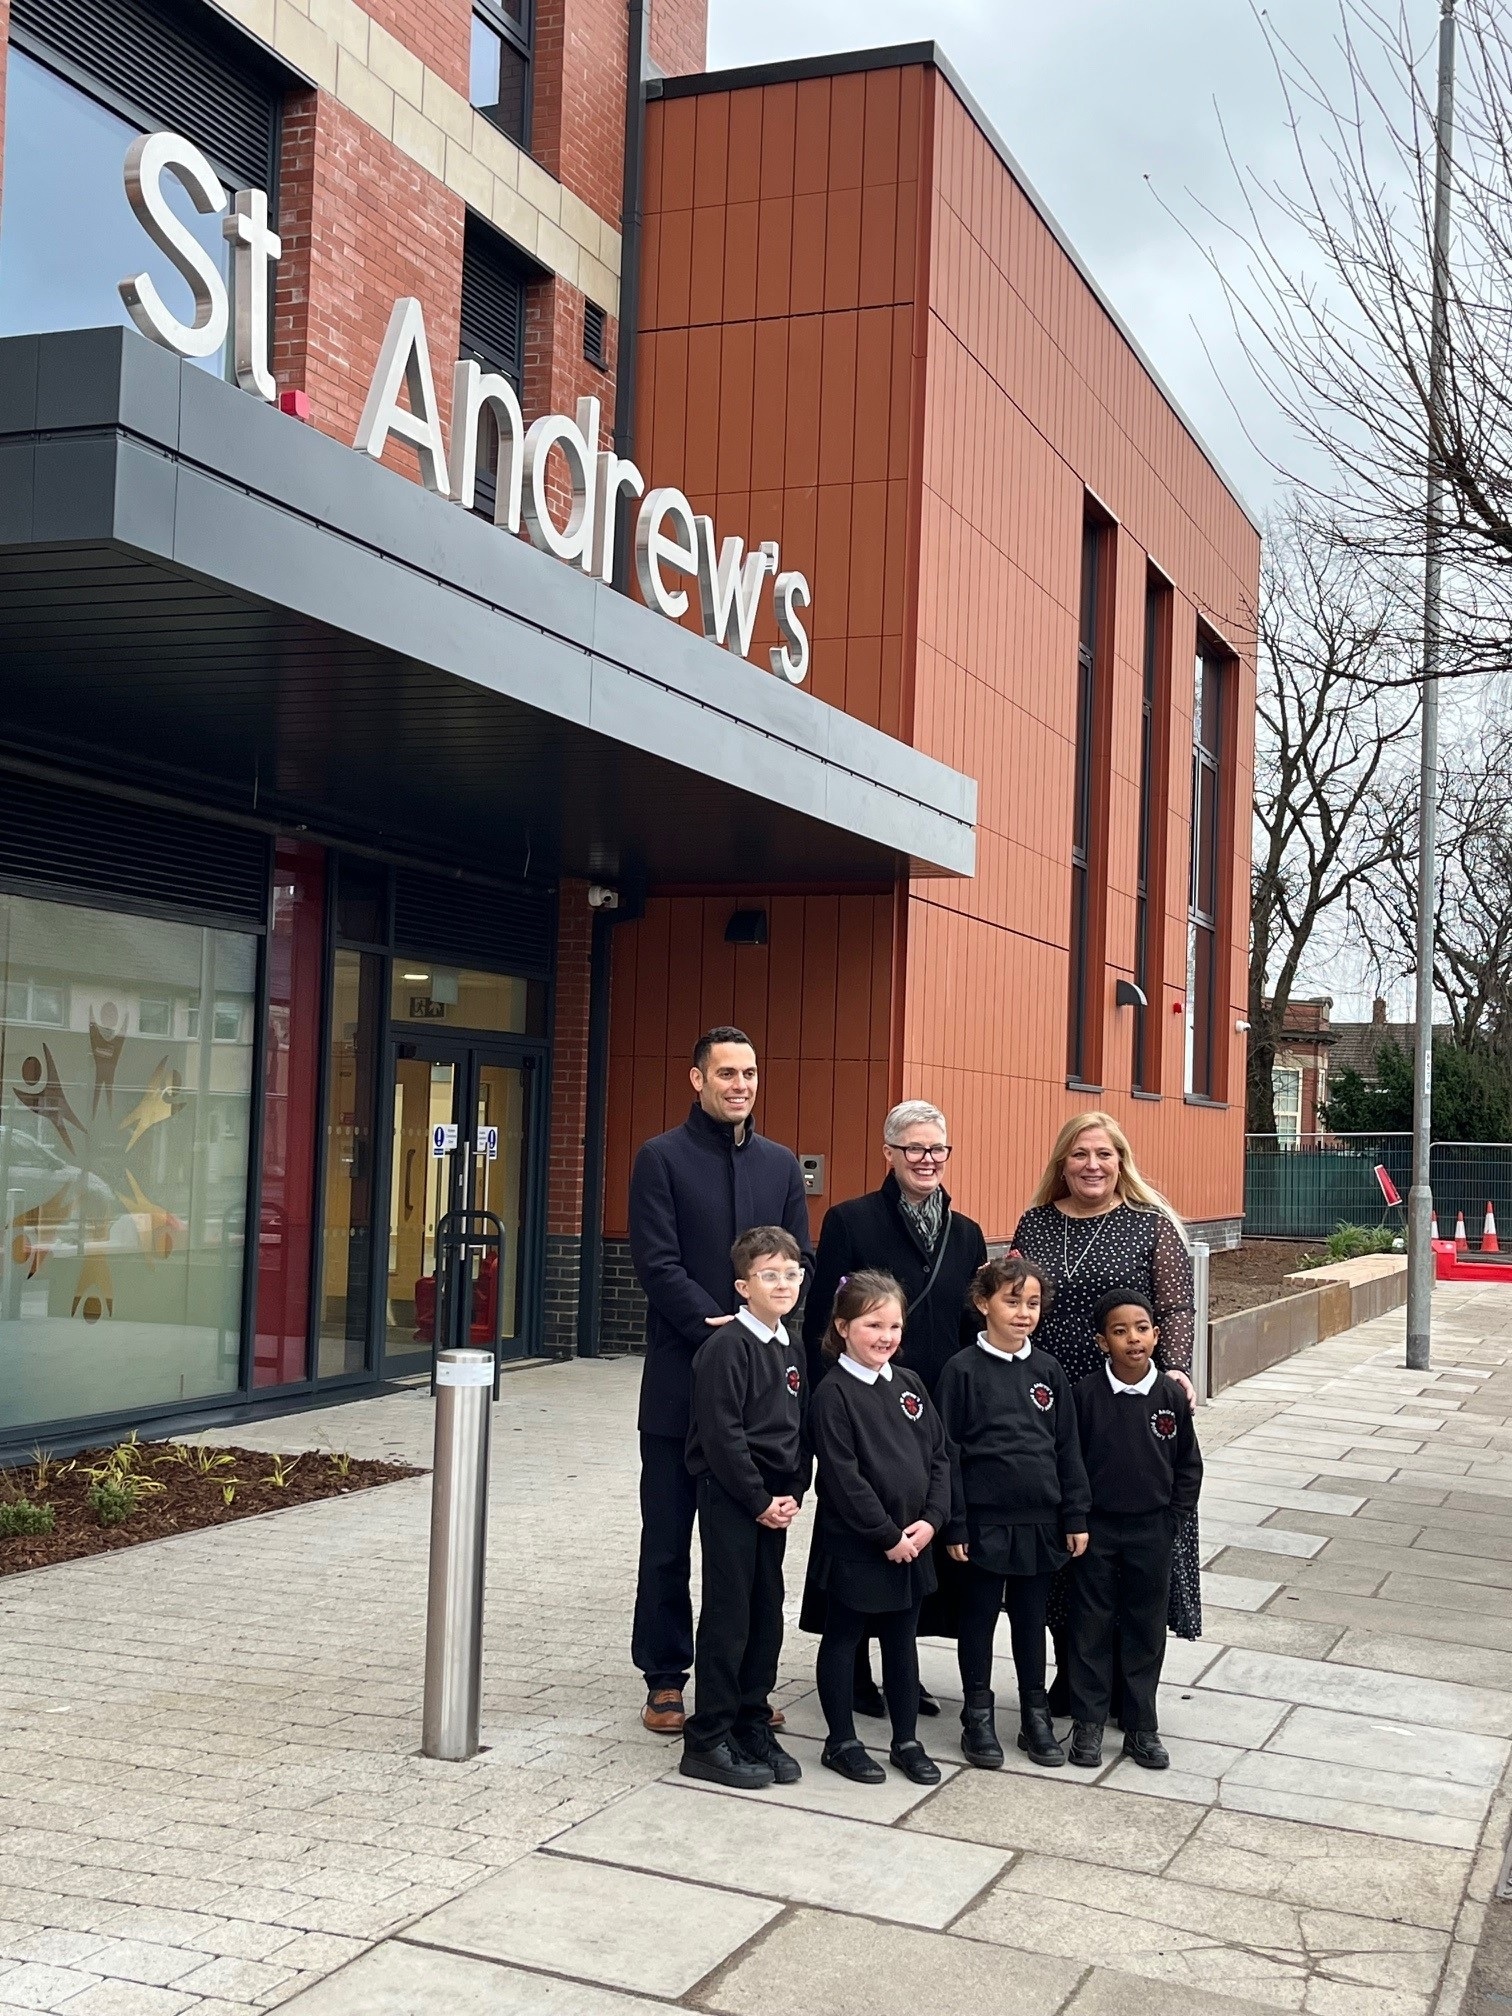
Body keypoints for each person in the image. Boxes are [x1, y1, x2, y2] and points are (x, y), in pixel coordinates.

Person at [628, 1027, 814, 1735]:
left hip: (760, 1402)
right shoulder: (661, 1158)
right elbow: (656, 1262)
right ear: (697, 1079)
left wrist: (773, 1327)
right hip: (679, 1387)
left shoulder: (779, 1165)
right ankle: (665, 1678)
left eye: (750, 1074)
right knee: (668, 1543)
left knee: (745, 1556)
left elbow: (799, 1260)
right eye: (727, 1073)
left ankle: (738, 1685)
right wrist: (721, 1327)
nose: (740, 1085)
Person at [1009, 1111, 1202, 1711]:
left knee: (1129, 1536)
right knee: (1067, 1532)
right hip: (1050, 1399)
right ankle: (1073, 1673)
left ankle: (1127, 1682)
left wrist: (1175, 1369)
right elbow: (1014, 1297)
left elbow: (1175, 1307)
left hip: (1127, 1401)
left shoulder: (1150, 1225)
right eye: (1080, 1154)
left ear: (1121, 1162)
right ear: (1062, 1162)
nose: (1092, 1165)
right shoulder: (1036, 1223)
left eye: (1104, 1154)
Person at [803, 1099, 986, 1718]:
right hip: (860, 1408)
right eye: (914, 1148)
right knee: (860, 1532)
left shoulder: (966, 1233)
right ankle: (852, 1670)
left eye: (938, 1148)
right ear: (889, 1153)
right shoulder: (850, 1221)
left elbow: (969, 1326)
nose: (927, 1159)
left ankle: (902, 1669)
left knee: (918, 1538)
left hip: (929, 1410)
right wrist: (828, 1407)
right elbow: (821, 1322)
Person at [936, 1256, 1090, 1771]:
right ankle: (977, 1715)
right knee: (978, 1619)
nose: (1024, 1312)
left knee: (1031, 1620)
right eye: (1012, 1301)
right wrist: (955, 1522)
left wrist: (1075, 1514)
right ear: (983, 1303)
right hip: (983, 1522)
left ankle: (1034, 1715)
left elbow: (1067, 1446)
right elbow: (947, 1453)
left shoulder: (1048, 1370)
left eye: (1033, 1303)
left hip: (1040, 1521)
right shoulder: (961, 1370)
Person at [803, 1270, 950, 1787]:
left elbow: (939, 1457)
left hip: (913, 1542)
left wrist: (931, 1521)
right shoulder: (833, 1394)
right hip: (860, 1545)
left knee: (902, 1642)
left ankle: (906, 1740)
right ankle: (841, 1741)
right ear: (843, 1327)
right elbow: (843, 1479)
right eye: (873, 1325)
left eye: (894, 1326)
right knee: (844, 1638)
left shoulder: (909, 1385)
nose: (886, 1336)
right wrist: (887, 1536)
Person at [681, 1226, 810, 1790]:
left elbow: (800, 1425)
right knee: (729, 1613)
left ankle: (751, 1720)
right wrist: (758, 1500)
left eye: (791, 1273)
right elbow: (723, 1436)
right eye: (768, 1275)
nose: (782, 1284)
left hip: (775, 1500)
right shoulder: (726, 1348)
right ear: (742, 1286)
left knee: (765, 1611)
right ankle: (708, 1735)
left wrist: (794, 1490)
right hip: (734, 1496)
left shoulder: (791, 1346)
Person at [1068, 1291, 1203, 1771]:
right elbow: (1071, 1464)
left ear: (1157, 1334)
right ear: (1102, 1341)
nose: (1133, 1339)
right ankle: (1087, 1722)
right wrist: (1077, 1519)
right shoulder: (1085, 1395)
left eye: (1142, 1329)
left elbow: (1189, 1465)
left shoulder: (1170, 1396)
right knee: (1090, 1626)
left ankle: (1141, 1726)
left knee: (1146, 1627)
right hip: (1096, 1533)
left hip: (1152, 1531)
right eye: (1120, 1331)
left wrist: (1171, 1521)